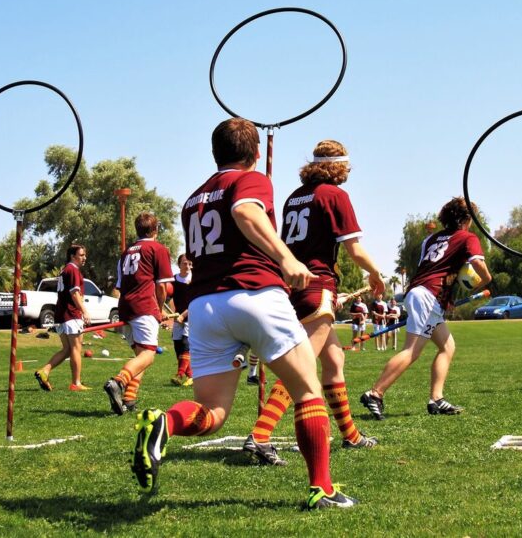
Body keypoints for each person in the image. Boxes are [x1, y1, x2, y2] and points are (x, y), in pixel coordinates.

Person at [131, 117, 355, 510]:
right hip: (255, 294)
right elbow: (245, 213)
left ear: (215, 153)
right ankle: (322, 487)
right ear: (254, 153)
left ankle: (166, 422)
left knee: (212, 413)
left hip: (205, 307)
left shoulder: (194, 198)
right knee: (307, 390)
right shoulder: (251, 181)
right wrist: (287, 260)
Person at [244, 139, 385, 465]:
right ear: (337, 165)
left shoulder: (295, 197)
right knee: (301, 367)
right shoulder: (335, 195)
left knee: (334, 358)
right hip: (317, 286)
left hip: (292, 285)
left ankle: (351, 435)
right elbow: (355, 250)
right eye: (347, 165)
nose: (349, 171)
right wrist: (376, 274)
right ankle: (260, 436)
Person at [361, 197, 491, 420]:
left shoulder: (431, 239)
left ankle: (436, 399)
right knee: (412, 351)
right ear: (467, 219)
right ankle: (375, 393)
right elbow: (478, 264)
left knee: (447, 346)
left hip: (421, 292)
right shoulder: (468, 237)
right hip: (428, 296)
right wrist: (486, 280)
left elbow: (431, 266)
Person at [104, 213, 174, 415]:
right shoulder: (157, 249)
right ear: (156, 229)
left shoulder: (126, 253)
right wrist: (159, 309)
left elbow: (119, 285)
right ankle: (118, 382)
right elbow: (162, 287)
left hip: (125, 305)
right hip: (144, 305)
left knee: (140, 355)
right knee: (148, 355)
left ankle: (129, 399)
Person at [34, 244, 90, 392]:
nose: (84, 258)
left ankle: (44, 371)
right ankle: (76, 383)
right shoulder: (73, 270)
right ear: (73, 256)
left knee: (67, 349)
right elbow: (75, 294)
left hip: (62, 314)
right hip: (71, 314)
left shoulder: (65, 269)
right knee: (76, 349)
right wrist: (84, 311)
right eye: (82, 255)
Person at [169, 254, 193, 387]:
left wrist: (183, 315)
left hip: (191, 316)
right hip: (178, 318)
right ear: (179, 265)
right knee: (178, 347)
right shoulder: (173, 280)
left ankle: (179, 375)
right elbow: (165, 295)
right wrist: (165, 312)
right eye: (185, 263)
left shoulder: (194, 280)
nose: (188, 266)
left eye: (190, 263)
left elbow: (194, 302)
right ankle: (190, 376)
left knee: (185, 344)